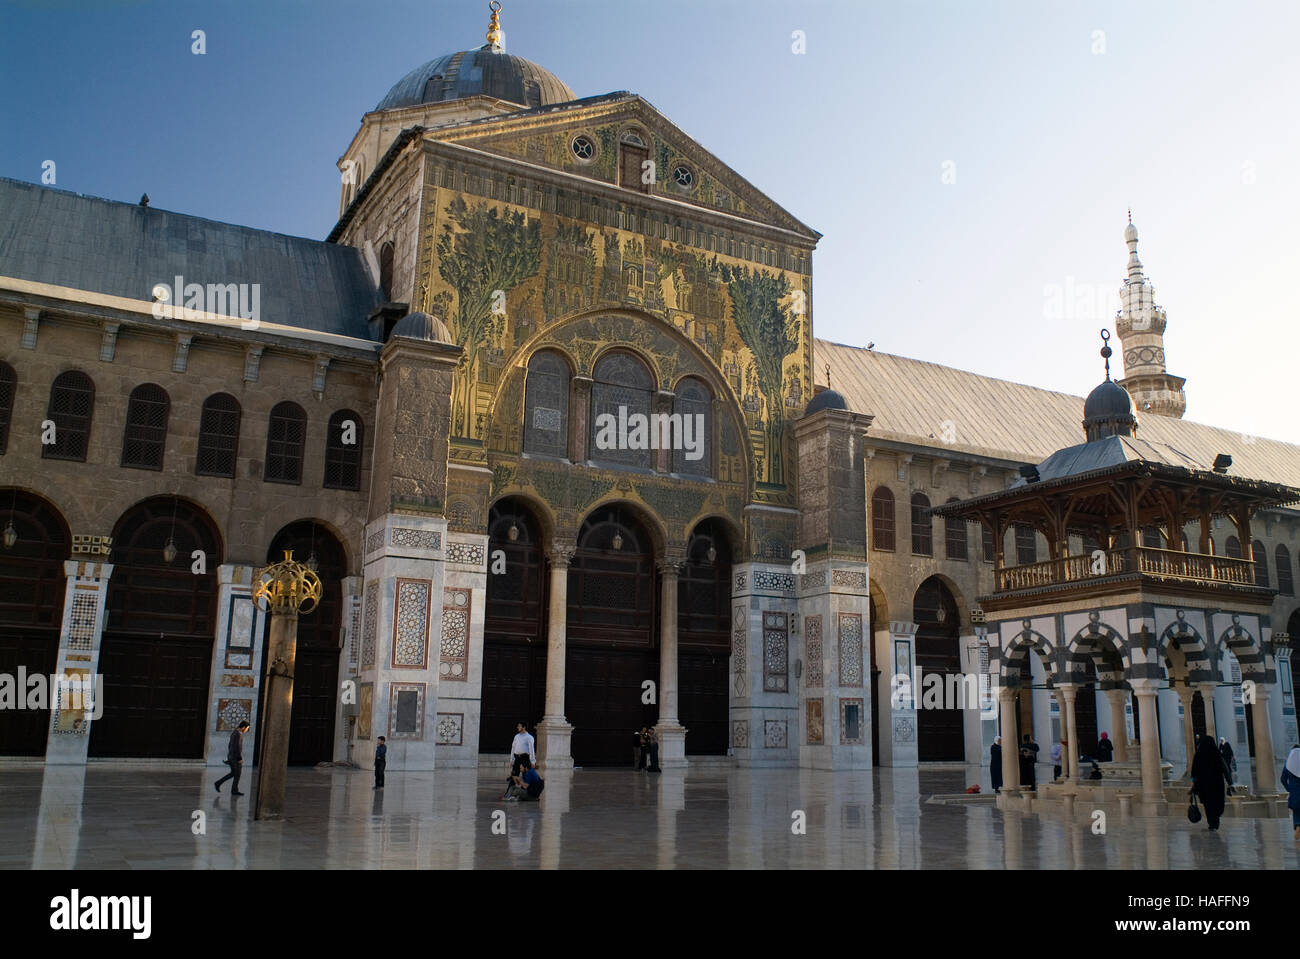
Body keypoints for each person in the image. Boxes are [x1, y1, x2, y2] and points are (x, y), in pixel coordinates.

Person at [1191, 734, 1227, 830]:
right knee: (1216, 802)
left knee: (1208, 804)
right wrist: (1230, 782)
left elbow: (1193, 771)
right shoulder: (1216, 754)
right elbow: (1225, 768)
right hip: (1217, 784)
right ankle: (1215, 821)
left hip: (1204, 785)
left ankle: (1211, 822)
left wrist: (1193, 782)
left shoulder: (1199, 755)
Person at [214, 720, 249, 796]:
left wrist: (230, 756)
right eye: (247, 728)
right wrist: (239, 758)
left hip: (232, 756)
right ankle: (233, 790)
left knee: (234, 773)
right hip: (235, 758)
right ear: (243, 727)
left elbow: (230, 745)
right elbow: (237, 747)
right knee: (237, 774)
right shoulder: (238, 734)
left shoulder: (235, 732)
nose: (247, 730)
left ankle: (219, 784)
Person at [502, 722, 536, 799]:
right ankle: (509, 793)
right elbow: (513, 748)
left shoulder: (529, 737)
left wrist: (533, 761)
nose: (518, 727)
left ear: (524, 728)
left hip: (525, 758)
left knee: (525, 776)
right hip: (517, 758)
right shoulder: (516, 736)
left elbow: (531, 750)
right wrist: (512, 760)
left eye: (519, 726)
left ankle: (525, 794)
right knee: (514, 776)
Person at [1281, 744, 1300, 842]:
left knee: (1296, 811)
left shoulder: (1288, 765)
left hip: (1294, 792)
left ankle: (1297, 825)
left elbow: (1283, 779)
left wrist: (1289, 789)